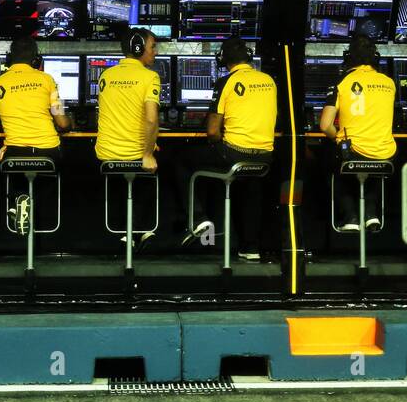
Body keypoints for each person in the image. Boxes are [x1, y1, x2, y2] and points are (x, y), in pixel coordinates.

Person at [178, 38, 277, 260]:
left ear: (223, 59)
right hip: (265, 158)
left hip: (233, 155)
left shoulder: (226, 82)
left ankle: (198, 220)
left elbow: (212, 131)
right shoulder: (268, 80)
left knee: (182, 160)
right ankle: (250, 248)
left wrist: (217, 142)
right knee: (250, 186)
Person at [0, 38, 72, 234]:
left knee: (14, 171)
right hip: (49, 152)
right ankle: (30, 203)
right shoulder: (47, 80)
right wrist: (69, 121)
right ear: (36, 60)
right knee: (51, 175)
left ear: (9, 58)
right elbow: (62, 123)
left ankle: (18, 199)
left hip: (14, 153)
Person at [320, 34, 397, 232]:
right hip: (386, 155)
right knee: (372, 168)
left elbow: (325, 125)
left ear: (348, 58)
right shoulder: (389, 82)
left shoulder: (342, 82)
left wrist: (338, 136)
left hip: (353, 152)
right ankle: (371, 214)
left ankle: (350, 216)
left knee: (330, 160)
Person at [95, 28, 162, 242]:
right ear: (138, 48)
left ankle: (127, 233)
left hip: (106, 156)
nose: (156, 52)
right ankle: (142, 230)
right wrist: (148, 152)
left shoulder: (106, 76)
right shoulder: (150, 76)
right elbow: (151, 119)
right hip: (134, 156)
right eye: (152, 47)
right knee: (172, 162)